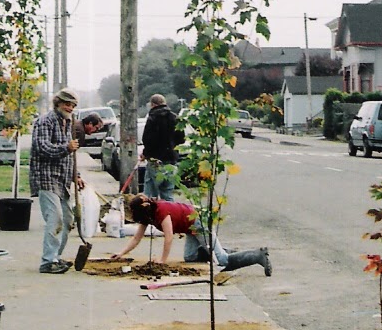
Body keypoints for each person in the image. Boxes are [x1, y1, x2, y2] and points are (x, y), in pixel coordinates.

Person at [29, 88, 104, 274]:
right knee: (55, 218)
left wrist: (75, 176)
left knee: (68, 219)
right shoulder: (44, 122)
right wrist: (66, 147)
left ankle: (55, 257)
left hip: (62, 179)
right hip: (46, 176)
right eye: (67, 104)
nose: (70, 107)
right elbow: (42, 147)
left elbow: (70, 157)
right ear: (58, 103)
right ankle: (47, 262)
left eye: (73, 105)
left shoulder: (68, 124)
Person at [110, 194, 272, 276]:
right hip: (190, 228)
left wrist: (162, 260)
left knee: (222, 261)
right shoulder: (148, 216)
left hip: (198, 222)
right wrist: (121, 253)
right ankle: (218, 249)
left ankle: (258, 256)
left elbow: (169, 237)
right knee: (190, 257)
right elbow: (136, 237)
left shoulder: (160, 211)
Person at [141, 94, 184, 201]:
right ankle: (169, 214)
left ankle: (150, 215)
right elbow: (182, 139)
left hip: (155, 159)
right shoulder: (175, 118)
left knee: (150, 191)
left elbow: (147, 140)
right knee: (167, 192)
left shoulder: (152, 118)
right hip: (171, 159)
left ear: (153, 104)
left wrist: (145, 153)